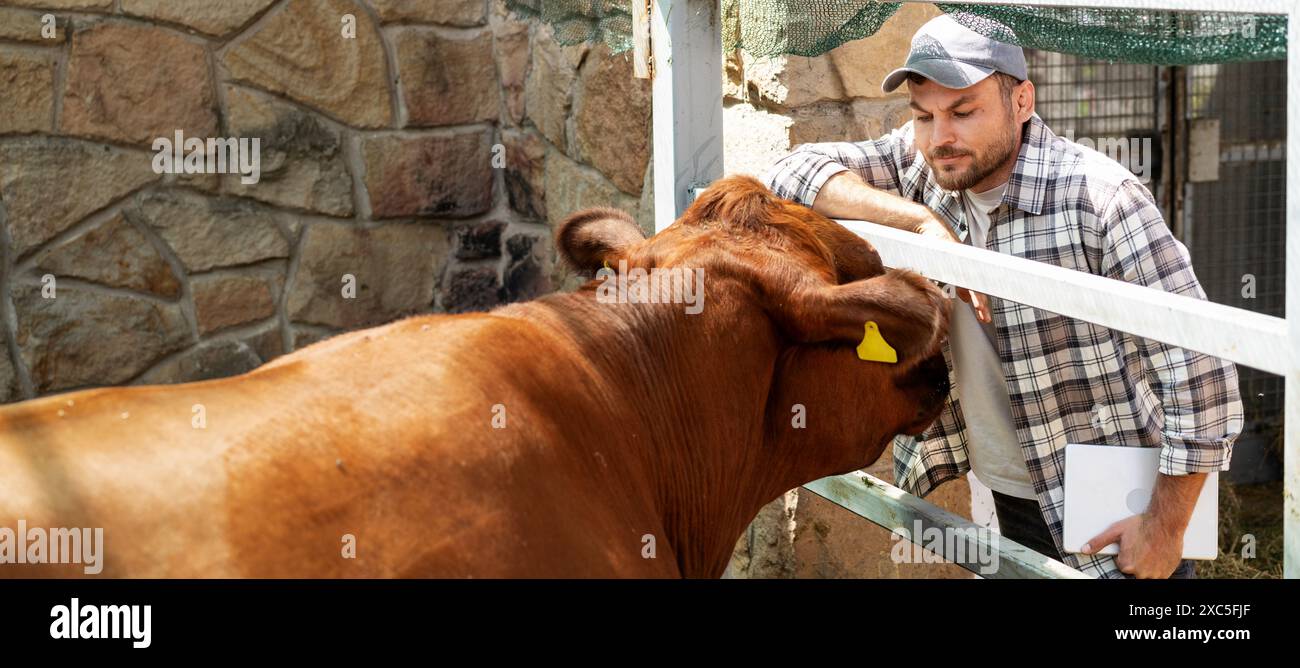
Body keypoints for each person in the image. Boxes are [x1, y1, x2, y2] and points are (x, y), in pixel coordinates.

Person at [762, 14, 1243, 578]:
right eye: (924, 115)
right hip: (1001, 485)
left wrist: (1165, 525)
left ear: (1021, 101)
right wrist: (918, 223)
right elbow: (787, 173)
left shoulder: (1103, 200)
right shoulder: (924, 167)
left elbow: (1203, 367)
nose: (941, 136)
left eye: (964, 112)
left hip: (1111, 501)